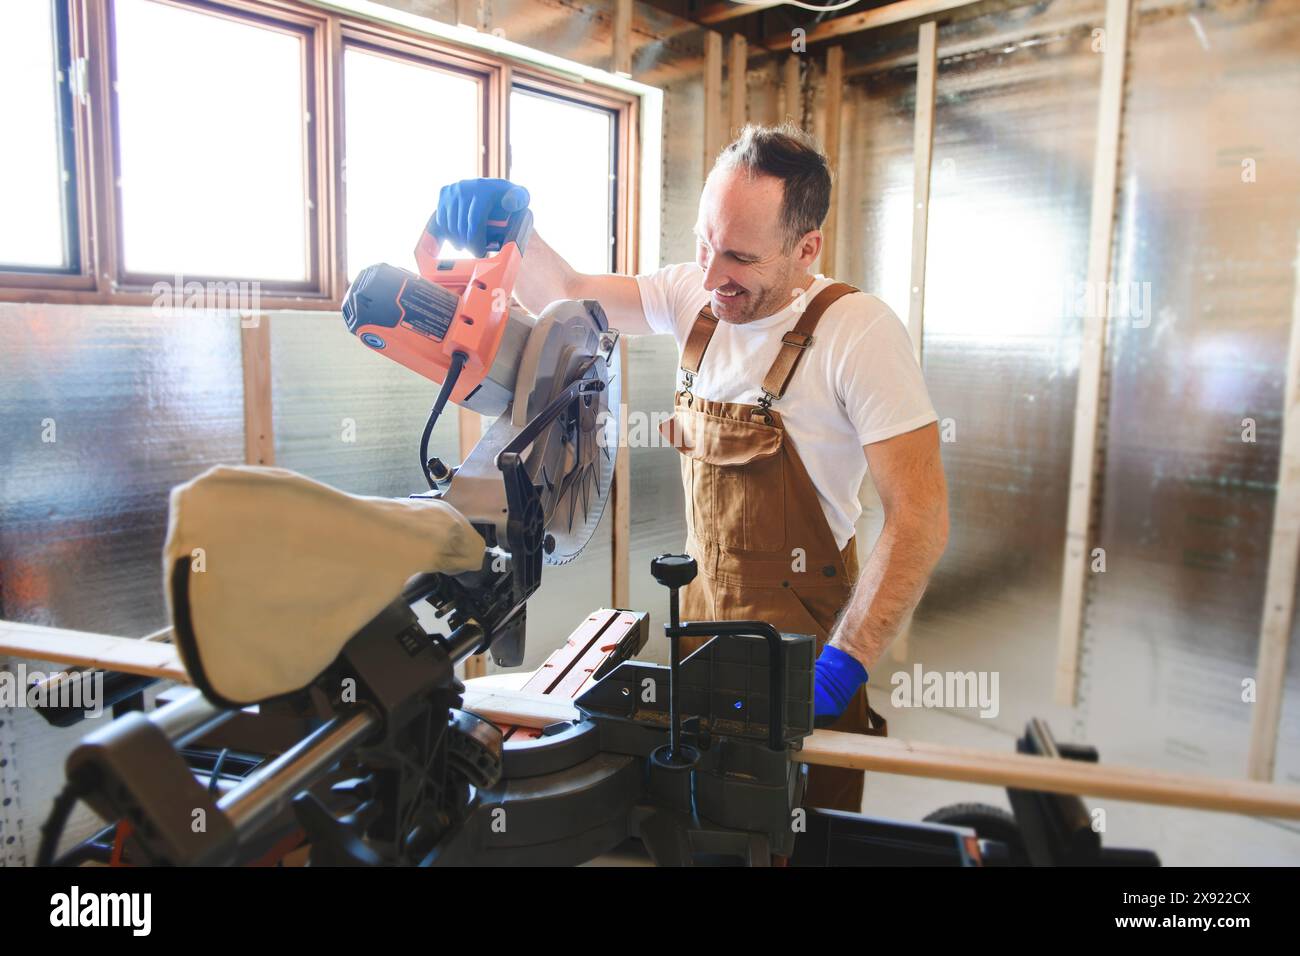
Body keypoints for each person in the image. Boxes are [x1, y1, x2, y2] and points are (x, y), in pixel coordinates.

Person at [429, 123, 949, 811]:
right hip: (701, 625)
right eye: (705, 243)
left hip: (805, 646)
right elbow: (568, 292)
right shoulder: (692, 299)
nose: (710, 276)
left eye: (738, 256)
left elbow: (921, 519)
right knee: (698, 822)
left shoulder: (858, 333)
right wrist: (510, 228)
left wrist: (841, 667)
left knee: (797, 834)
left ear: (806, 248)